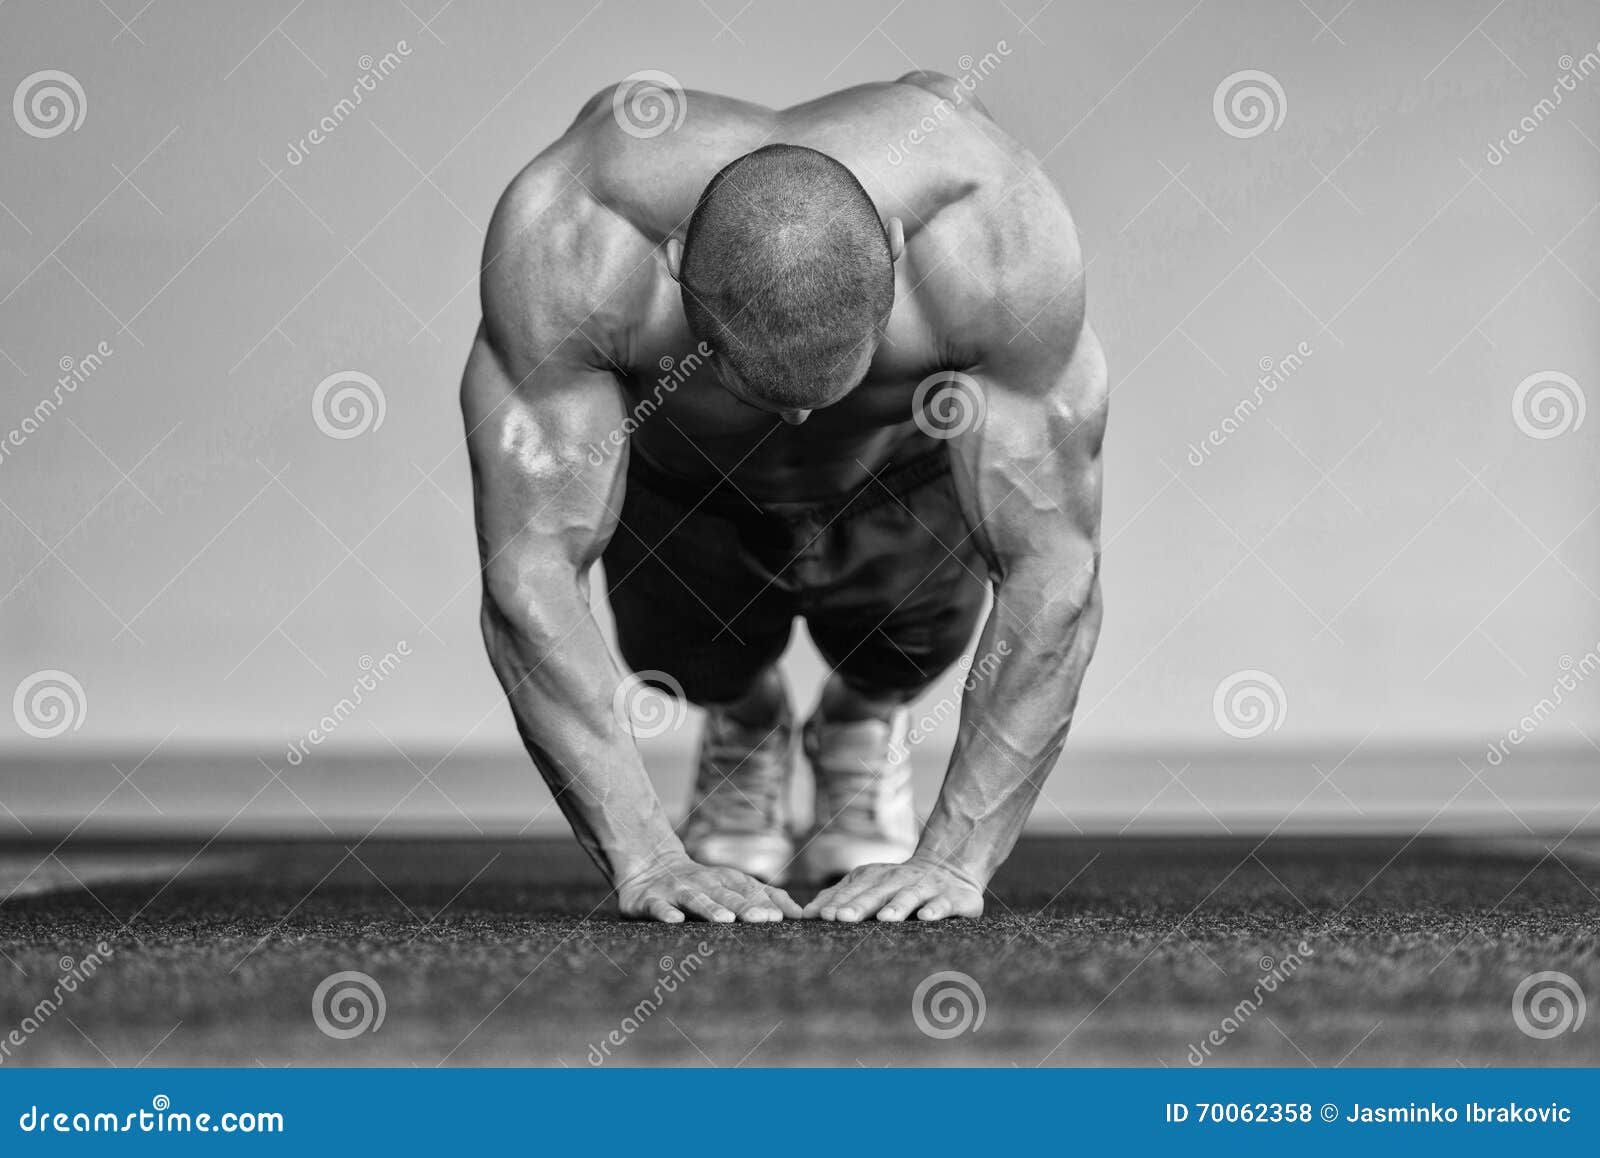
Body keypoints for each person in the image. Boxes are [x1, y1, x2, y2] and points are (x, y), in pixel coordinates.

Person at [461, 73, 1105, 924]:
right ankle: (745, 719)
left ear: (897, 244)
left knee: (903, 655)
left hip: (897, 485)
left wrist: (955, 862)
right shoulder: (575, 236)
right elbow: (528, 576)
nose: (799, 416)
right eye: (764, 389)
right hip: (688, 491)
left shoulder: (995, 234)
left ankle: (862, 721)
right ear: (677, 257)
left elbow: (1054, 570)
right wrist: (648, 860)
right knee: (695, 665)